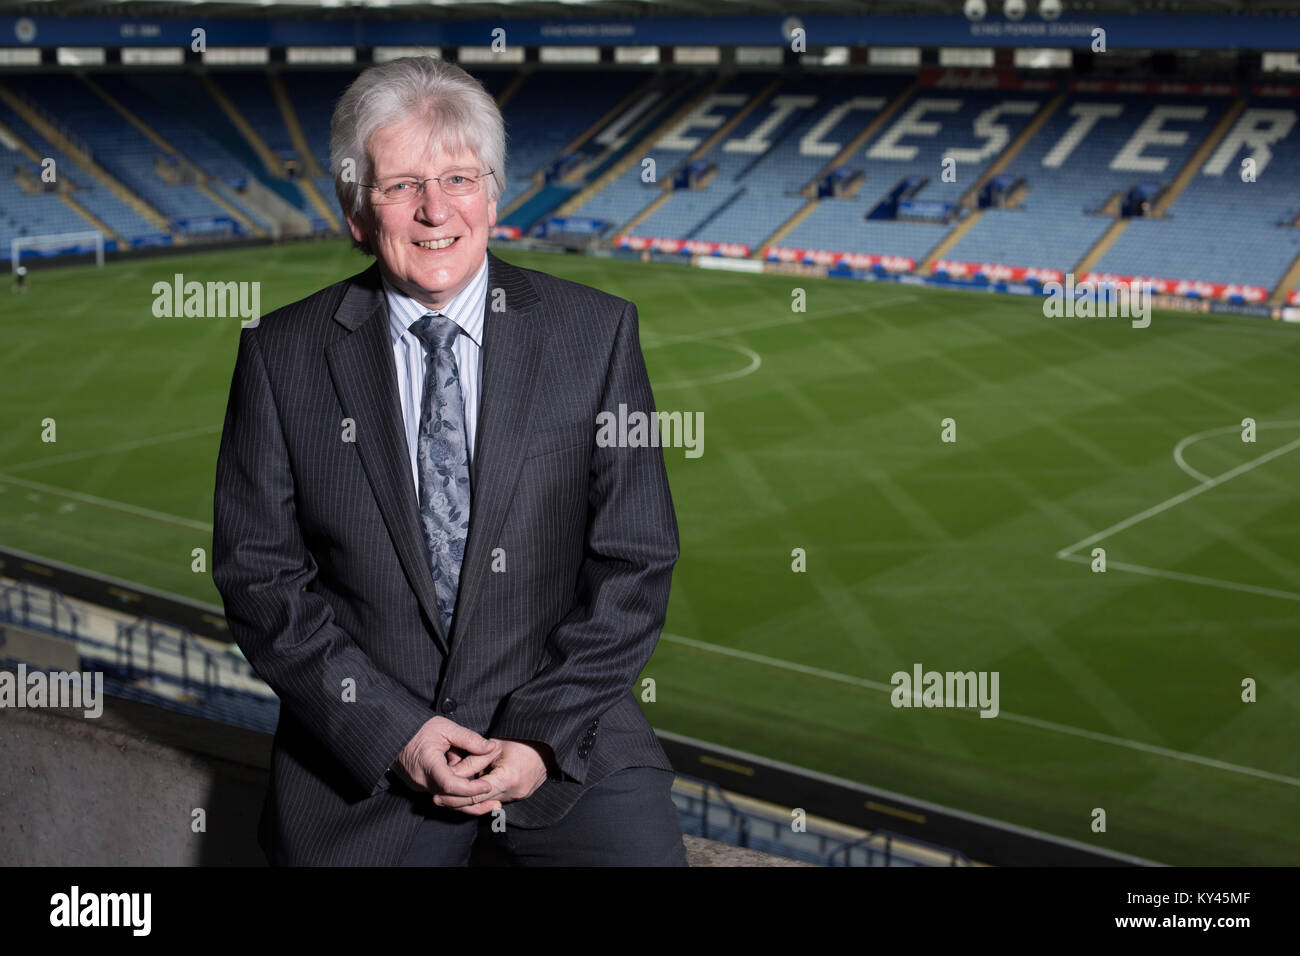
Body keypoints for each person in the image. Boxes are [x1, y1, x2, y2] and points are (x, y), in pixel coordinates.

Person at [212, 56, 686, 866]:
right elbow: (260, 579)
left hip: (569, 748)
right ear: (356, 212)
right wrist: (395, 732)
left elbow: (635, 560)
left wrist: (537, 737)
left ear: (494, 197)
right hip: (361, 769)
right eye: (400, 186)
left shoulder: (595, 335)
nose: (435, 209)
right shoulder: (281, 355)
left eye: (459, 178)